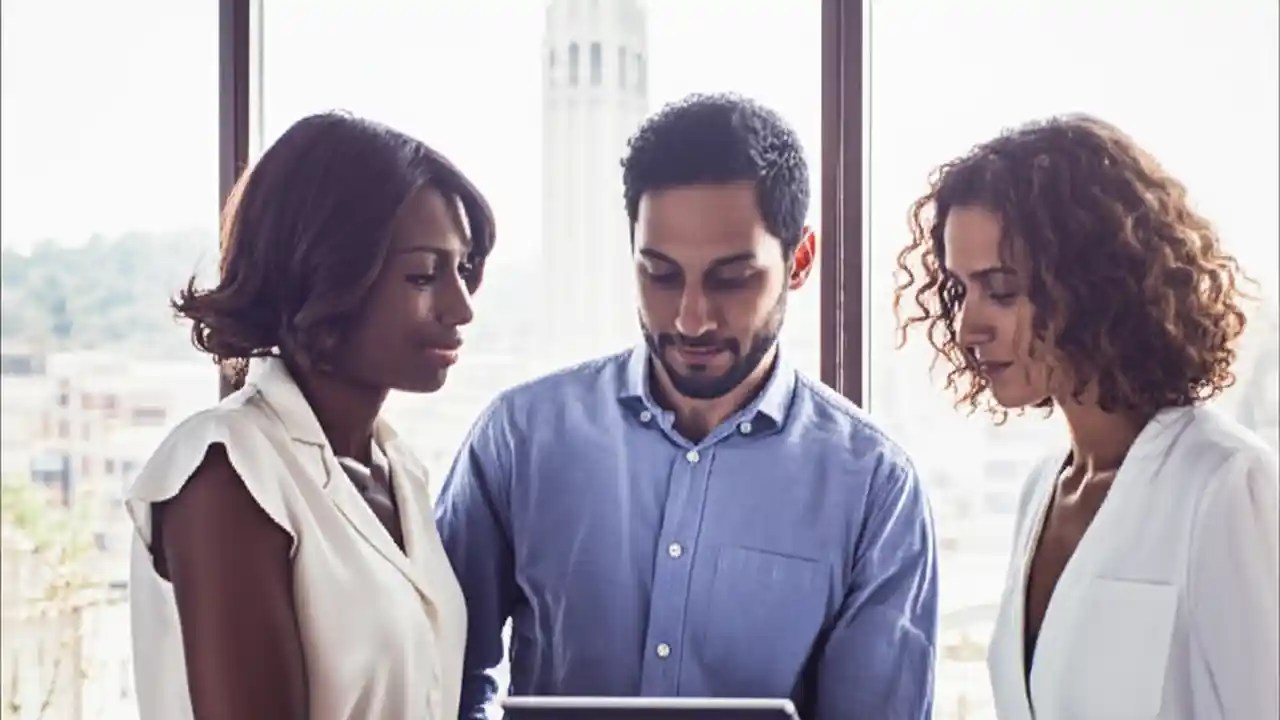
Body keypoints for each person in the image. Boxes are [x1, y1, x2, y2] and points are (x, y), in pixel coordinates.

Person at [437, 93, 938, 720]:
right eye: (661, 274)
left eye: (731, 278)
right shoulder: (520, 439)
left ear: (799, 261)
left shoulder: (874, 489)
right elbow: (441, 674)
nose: (690, 319)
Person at [895, 114, 1279, 719]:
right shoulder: (1042, 490)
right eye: (959, 289)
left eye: (1001, 290)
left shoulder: (1226, 485)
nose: (969, 327)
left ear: (1093, 285)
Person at [124, 111, 496, 720]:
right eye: (424, 275)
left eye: (463, 270)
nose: (460, 308)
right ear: (326, 271)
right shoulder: (227, 471)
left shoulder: (400, 471)